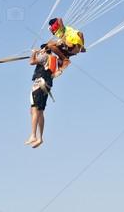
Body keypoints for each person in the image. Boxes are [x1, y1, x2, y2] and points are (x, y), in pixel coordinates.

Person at [24, 17, 85, 148]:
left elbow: (31, 62)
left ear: (43, 50)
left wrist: (34, 53)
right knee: (39, 110)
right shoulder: (54, 59)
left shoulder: (45, 56)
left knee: (34, 109)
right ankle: (40, 138)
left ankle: (33, 135)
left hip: (40, 82)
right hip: (47, 84)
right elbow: (80, 34)